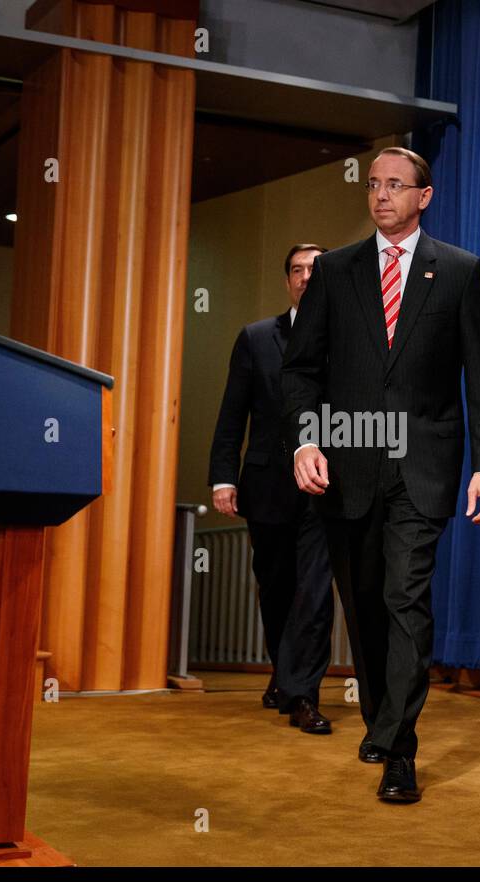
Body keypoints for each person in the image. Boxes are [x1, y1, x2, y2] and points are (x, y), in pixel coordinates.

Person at [282, 147, 480, 803]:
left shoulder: (459, 273)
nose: (381, 195)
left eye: (395, 185)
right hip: (346, 471)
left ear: (424, 196)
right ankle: (385, 718)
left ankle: (400, 751)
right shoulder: (335, 271)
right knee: (368, 605)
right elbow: (301, 371)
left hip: (423, 467)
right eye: (373, 184)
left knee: (406, 602)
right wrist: (305, 440)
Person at [209, 244, 336, 734]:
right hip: (265, 483)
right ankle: (284, 674)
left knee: (315, 590)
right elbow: (232, 412)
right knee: (277, 587)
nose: (306, 276)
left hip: (326, 485)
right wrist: (223, 475)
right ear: (287, 281)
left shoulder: (347, 339)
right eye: (298, 270)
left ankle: (302, 694)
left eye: (315, 269)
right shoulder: (257, 338)